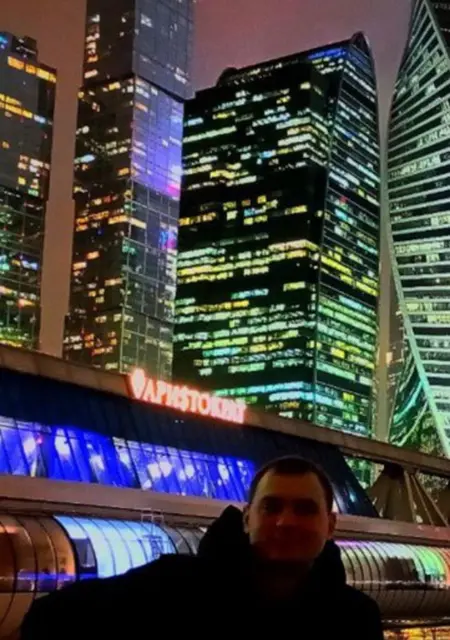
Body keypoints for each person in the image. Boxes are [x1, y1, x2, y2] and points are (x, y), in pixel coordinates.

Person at [21, 456, 384, 639]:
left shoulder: (355, 618)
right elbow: (48, 618)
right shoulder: (170, 587)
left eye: (304, 509)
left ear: (330, 525)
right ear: (247, 518)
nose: (285, 522)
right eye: (271, 507)